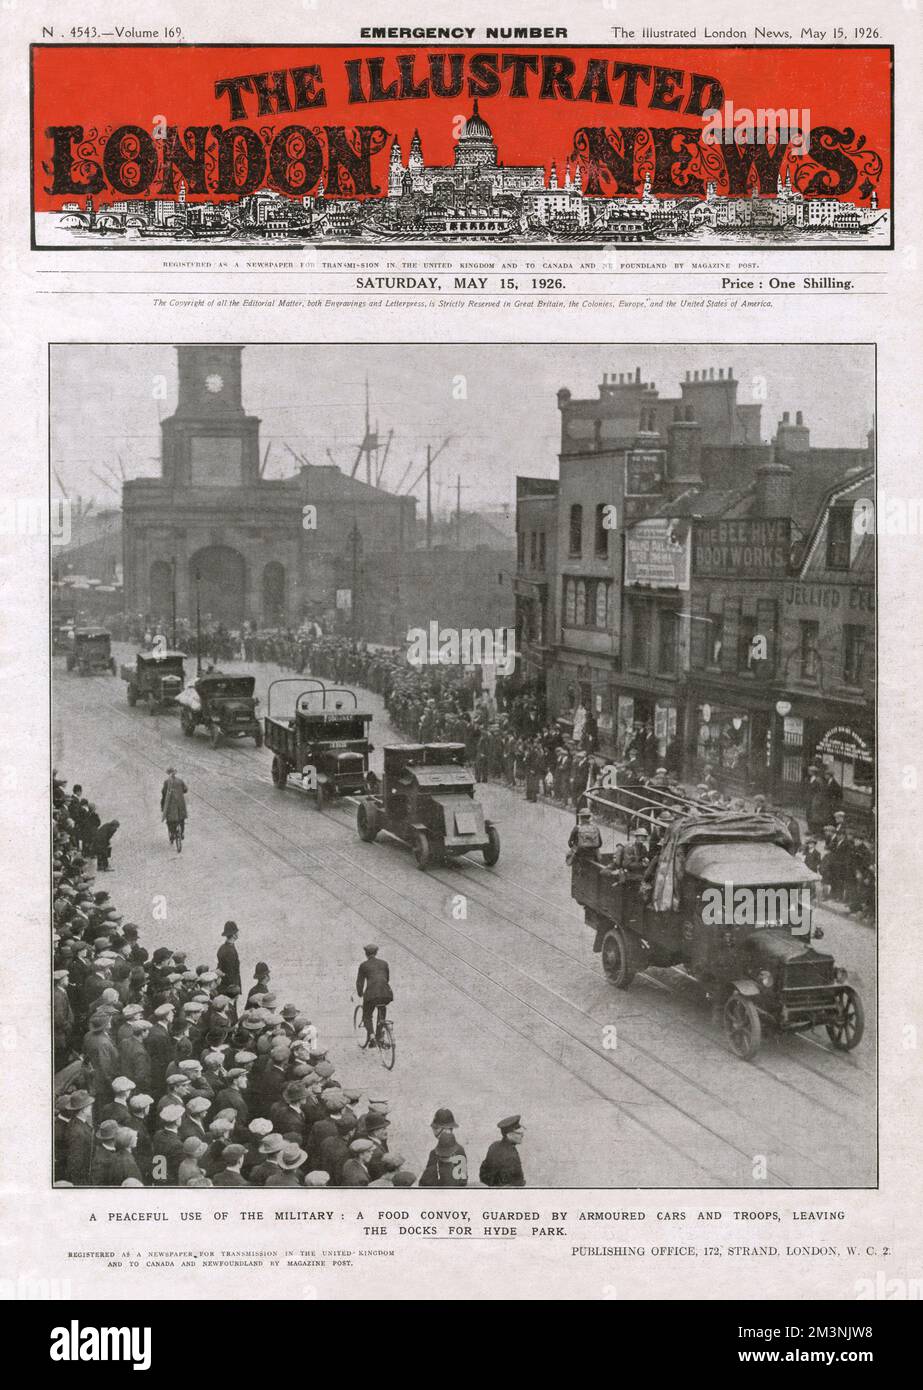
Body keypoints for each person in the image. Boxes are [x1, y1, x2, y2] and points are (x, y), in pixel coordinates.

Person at [355, 944, 393, 1049]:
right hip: (385, 994)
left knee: (367, 1016)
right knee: (382, 1013)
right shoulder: (384, 963)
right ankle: (379, 1036)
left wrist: (360, 993)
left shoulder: (363, 965)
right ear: (376, 953)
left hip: (371, 995)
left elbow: (360, 982)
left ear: (366, 954)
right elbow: (387, 978)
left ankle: (372, 1037)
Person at [479, 1115, 526, 1187]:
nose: (522, 1135)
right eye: (519, 1133)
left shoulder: (494, 1145)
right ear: (509, 1135)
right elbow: (516, 1183)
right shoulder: (511, 1155)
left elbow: (483, 1174)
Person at [160, 767, 188, 846]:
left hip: (171, 806)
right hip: (181, 804)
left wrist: (162, 806)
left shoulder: (166, 782)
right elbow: (185, 789)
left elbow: (164, 793)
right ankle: (181, 833)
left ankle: (172, 834)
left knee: (170, 821)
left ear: (168, 773)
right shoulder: (180, 781)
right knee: (181, 819)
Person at [216, 922, 241, 1000]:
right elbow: (231, 973)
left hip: (223, 985)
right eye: (237, 932)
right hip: (230, 988)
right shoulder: (230, 951)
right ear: (234, 934)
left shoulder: (223, 947)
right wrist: (235, 989)